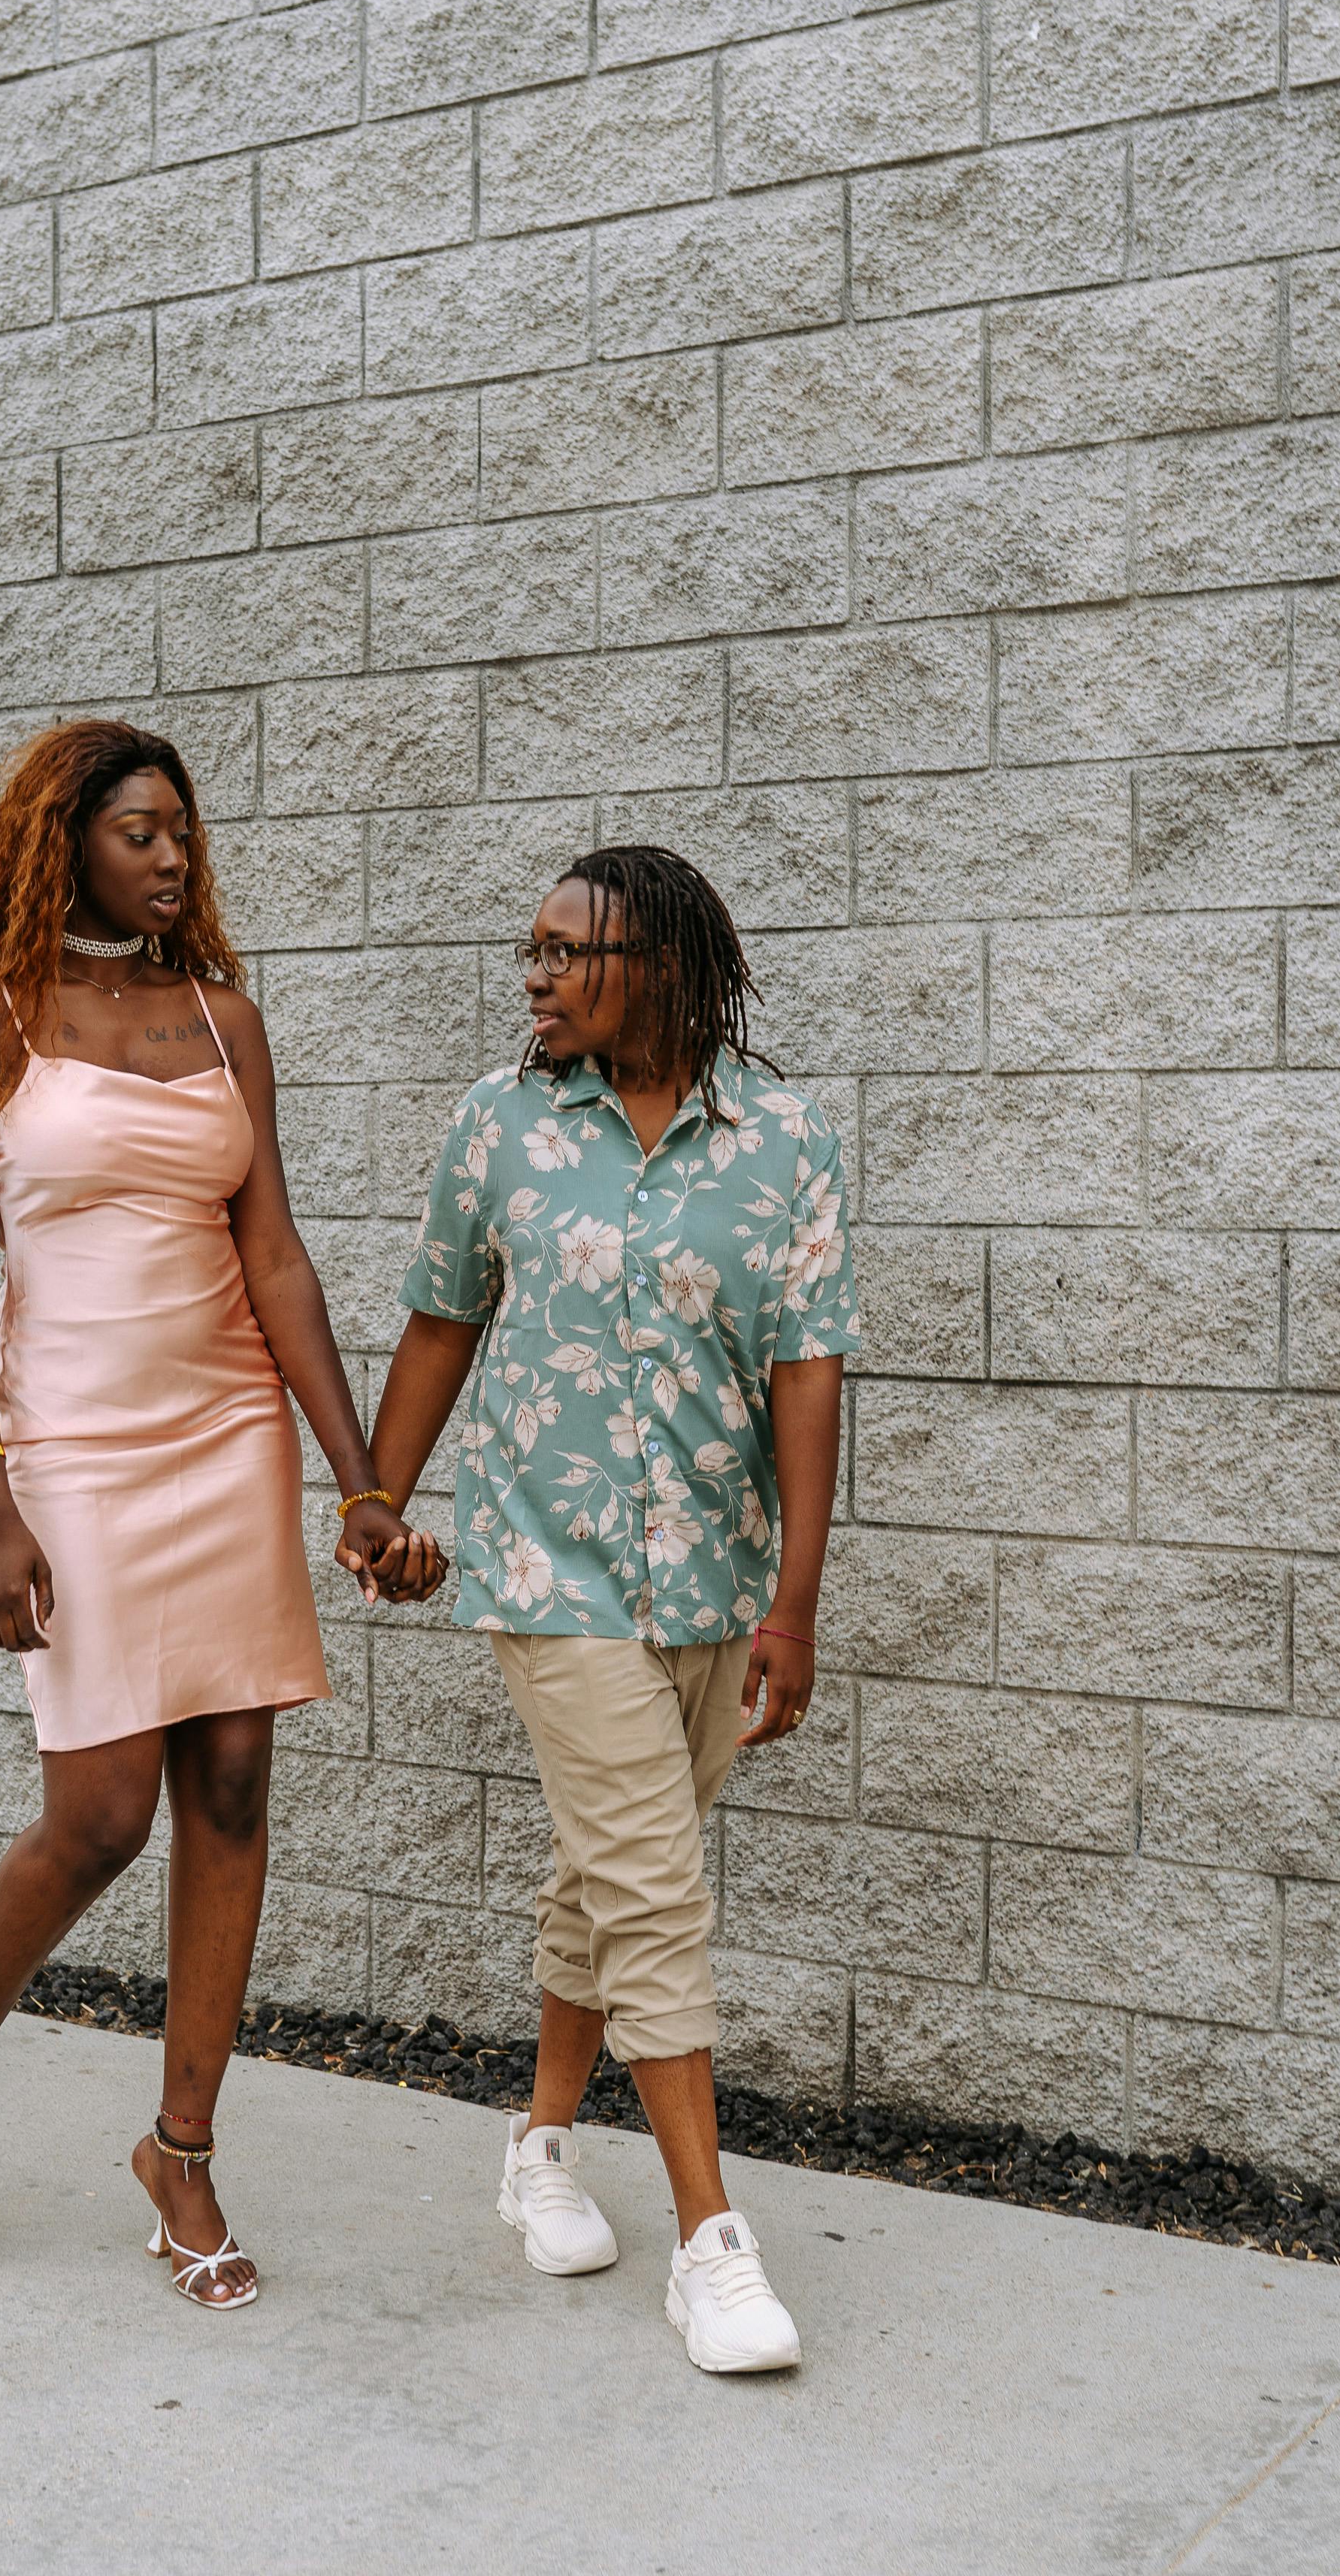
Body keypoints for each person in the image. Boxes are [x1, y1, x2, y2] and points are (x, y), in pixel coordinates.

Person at [0, 718, 437, 2302]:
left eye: (184, 831)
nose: (173, 855)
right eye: (139, 830)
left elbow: (274, 1260)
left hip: (222, 1432)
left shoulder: (223, 1015)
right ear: (63, 843)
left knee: (239, 1778)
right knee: (101, 1808)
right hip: (69, 1441)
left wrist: (361, 1476)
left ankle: (180, 2148)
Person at [347, 845, 858, 2375]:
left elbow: (806, 1374)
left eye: (569, 950)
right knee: (650, 1881)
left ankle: (540, 2141)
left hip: (710, 1569)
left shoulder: (781, 1138)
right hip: (544, 1562)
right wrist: (380, 1498)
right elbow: (443, 1317)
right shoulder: (497, 1124)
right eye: (531, 949)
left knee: (606, 1864)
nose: (537, 975)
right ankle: (710, 2241)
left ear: (661, 964)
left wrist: (795, 1602)